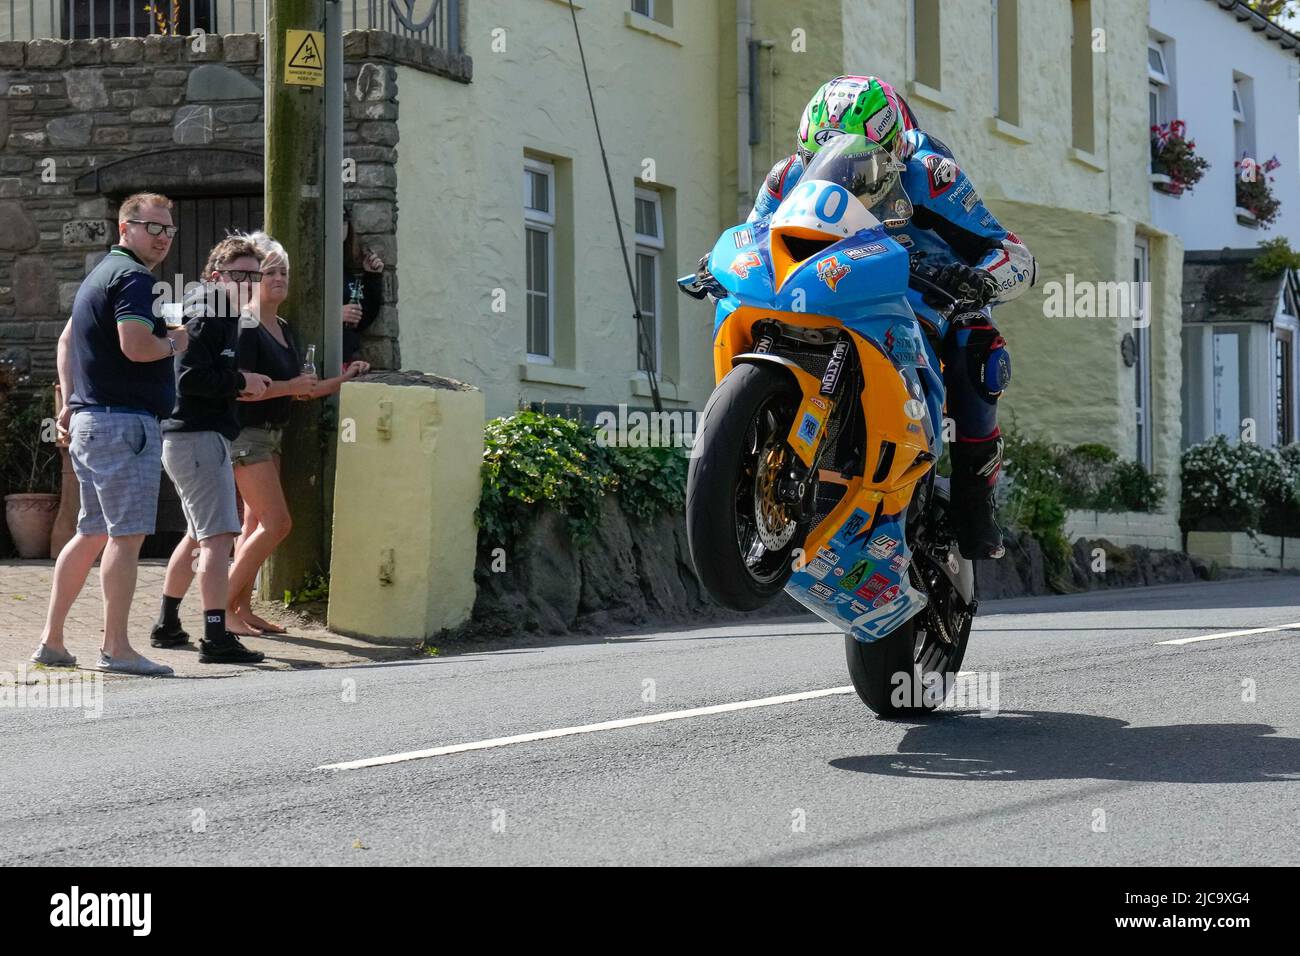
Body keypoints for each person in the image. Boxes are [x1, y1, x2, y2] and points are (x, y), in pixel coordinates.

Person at [748, 75, 1037, 560]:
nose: (846, 173)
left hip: (922, 300)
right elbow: (755, 236)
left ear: (893, 146)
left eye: (864, 163)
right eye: (821, 156)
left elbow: (1013, 253)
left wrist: (979, 280)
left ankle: (975, 504)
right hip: (825, 292)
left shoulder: (931, 174)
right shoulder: (787, 177)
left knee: (978, 351)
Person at [150, 231, 370, 642]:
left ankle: (194, 618)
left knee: (211, 532)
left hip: (250, 433)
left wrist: (340, 378)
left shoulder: (270, 325)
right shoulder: (228, 320)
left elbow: (292, 385)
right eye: (260, 273)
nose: (269, 280)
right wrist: (249, 382)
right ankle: (217, 624)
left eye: (272, 273)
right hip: (228, 435)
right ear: (218, 276)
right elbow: (213, 379)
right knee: (253, 527)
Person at [31, 192, 188, 676]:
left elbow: (65, 339)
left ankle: (52, 642)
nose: (161, 239)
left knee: (91, 531)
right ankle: (117, 649)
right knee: (126, 536)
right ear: (125, 229)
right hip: (124, 424)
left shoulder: (98, 275)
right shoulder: (135, 278)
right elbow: (137, 347)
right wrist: (174, 342)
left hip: (91, 422)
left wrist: (70, 404)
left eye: (168, 230)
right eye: (151, 228)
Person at [153, 236, 271, 665]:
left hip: (191, 437)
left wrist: (238, 379)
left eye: (254, 276)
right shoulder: (208, 313)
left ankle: (167, 625)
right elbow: (188, 379)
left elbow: (200, 373)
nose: (248, 283)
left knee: (197, 534)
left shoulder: (216, 310)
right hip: (197, 437)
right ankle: (216, 637)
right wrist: (242, 383)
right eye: (239, 275)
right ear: (217, 275)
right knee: (218, 539)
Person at [342, 204, 385, 365]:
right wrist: (334, 316)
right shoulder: (311, 266)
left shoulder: (345, 269)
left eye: (344, 219)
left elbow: (363, 318)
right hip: (320, 362)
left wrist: (372, 277)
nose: (340, 224)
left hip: (346, 359)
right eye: (334, 216)